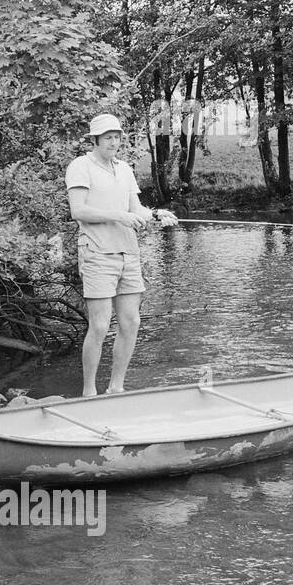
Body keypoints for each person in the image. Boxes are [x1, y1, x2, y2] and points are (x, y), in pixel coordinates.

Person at [65, 112, 178, 396]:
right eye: (107, 138)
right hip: (97, 253)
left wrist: (155, 214)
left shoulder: (125, 169)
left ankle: (116, 389)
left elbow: (134, 209)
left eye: (117, 137)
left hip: (128, 253)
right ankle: (89, 392)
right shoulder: (81, 166)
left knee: (131, 322)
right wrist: (120, 216)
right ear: (95, 140)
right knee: (101, 325)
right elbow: (78, 211)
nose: (113, 142)